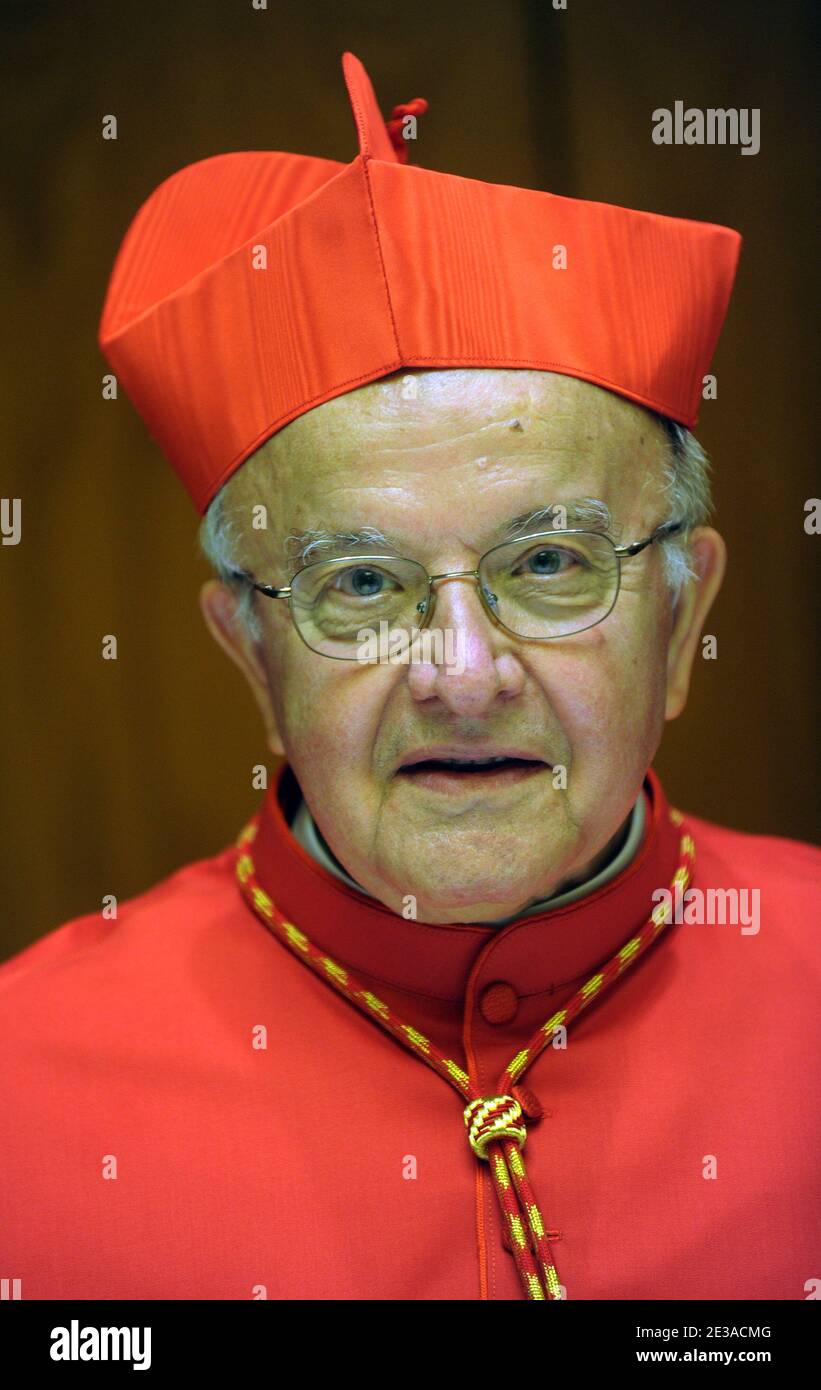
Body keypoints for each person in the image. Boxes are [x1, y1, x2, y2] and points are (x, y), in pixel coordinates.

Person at [1, 52, 818, 1302]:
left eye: (550, 561)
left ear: (680, 611)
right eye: (362, 584)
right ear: (251, 651)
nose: (463, 673)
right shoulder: (26, 1089)